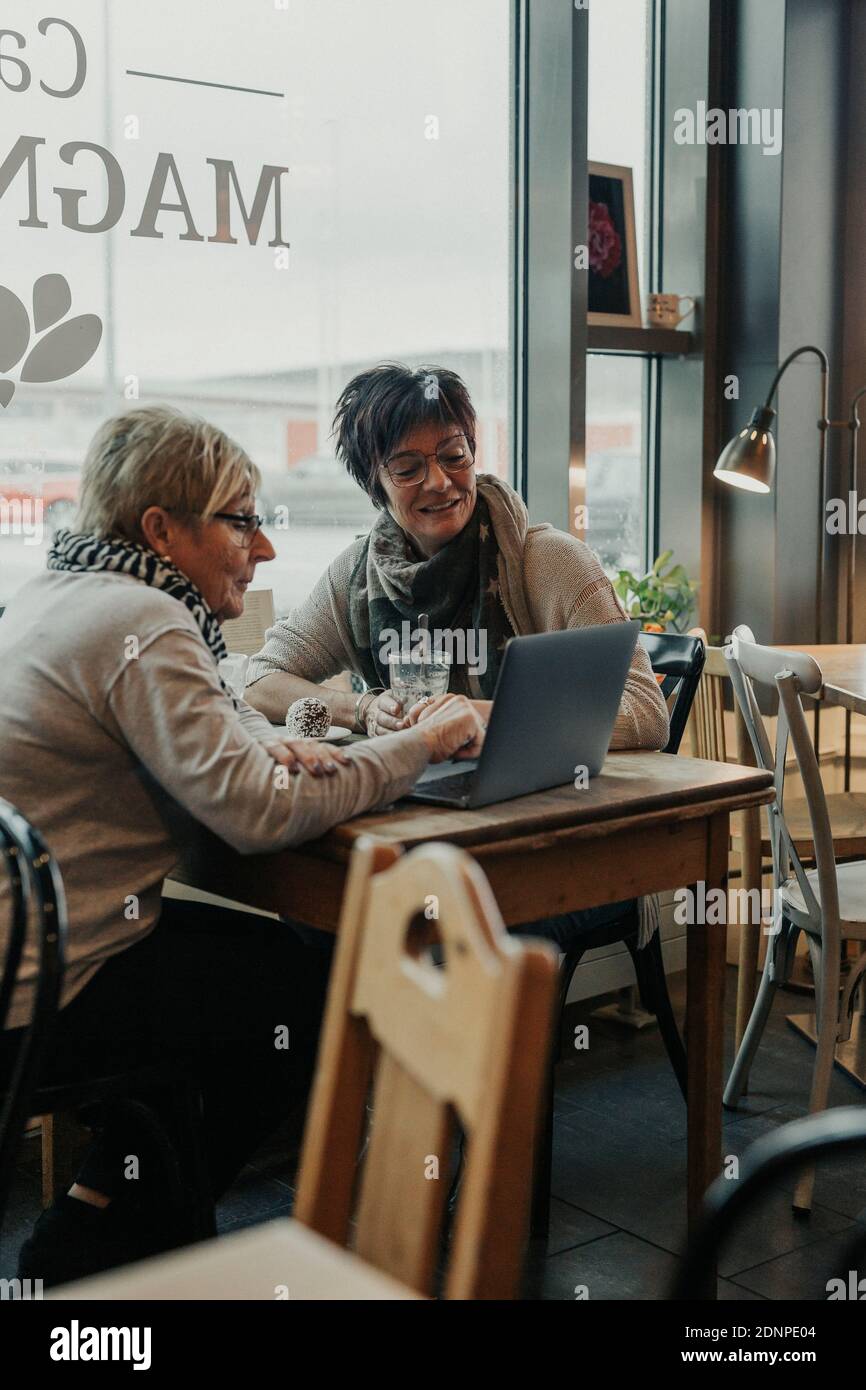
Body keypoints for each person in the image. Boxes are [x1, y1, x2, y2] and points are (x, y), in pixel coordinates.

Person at [0, 404, 485, 1286]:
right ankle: (89, 1251)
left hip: (26, 956)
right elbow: (258, 817)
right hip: (42, 994)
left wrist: (258, 744)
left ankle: (130, 1227)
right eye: (242, 521)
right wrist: (418, 744)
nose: (263, 550)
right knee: (302, 989)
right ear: (161, 529)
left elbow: (179, 733)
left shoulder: (63, 591)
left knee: (250, 980)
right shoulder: (140, 621)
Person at [244, 363, 669, 949]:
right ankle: (374, 1043)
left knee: (442, 931)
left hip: (561, 852)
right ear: (376, 483)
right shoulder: (356, 576)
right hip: (428, 838)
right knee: (317, 914)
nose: (441, 482)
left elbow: (647, 711)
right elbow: (263, 679)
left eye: (454, 455)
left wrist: (489, 715)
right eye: (408, 468)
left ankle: (460, 1042)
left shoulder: (548, 563)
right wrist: (362, 711)